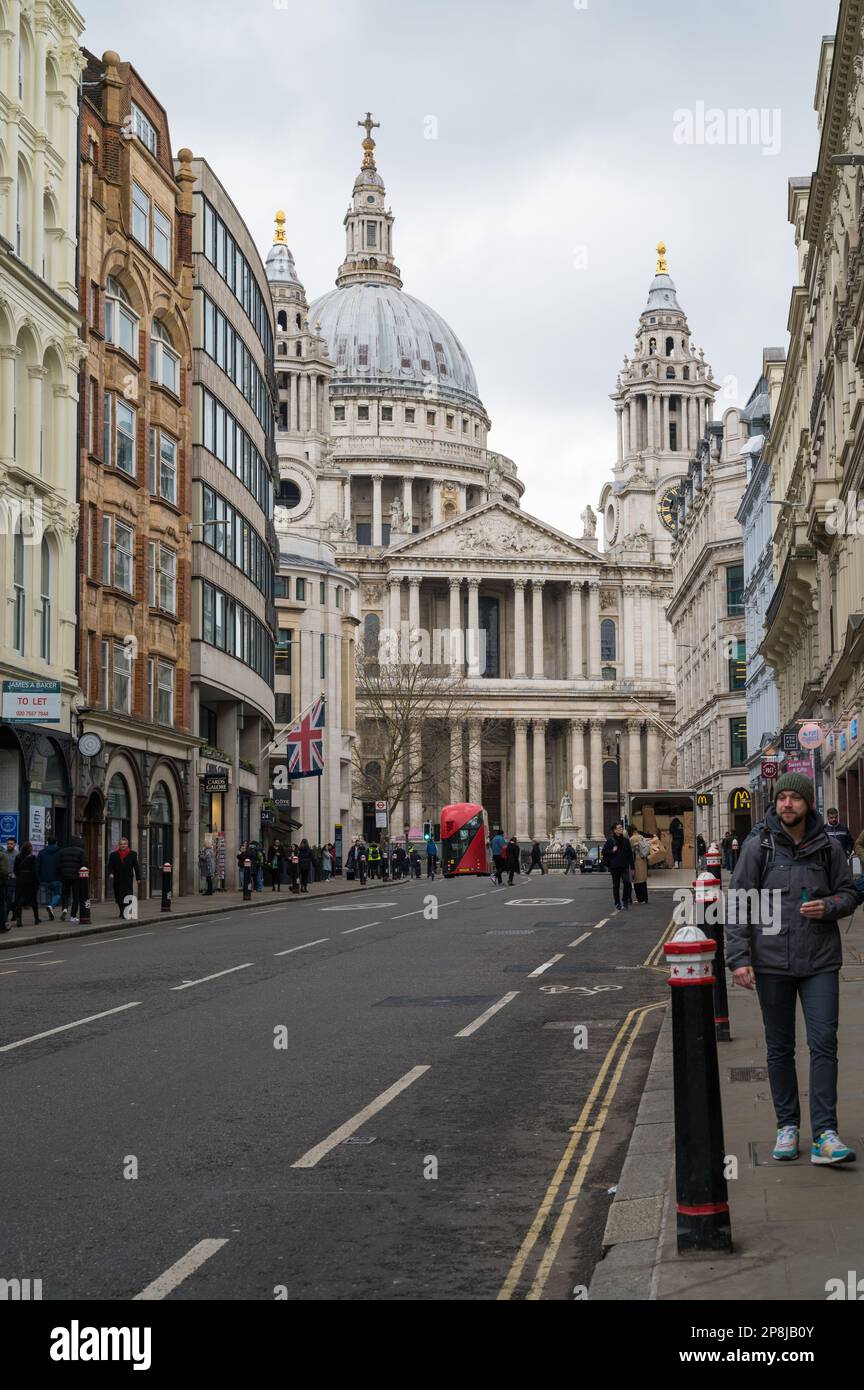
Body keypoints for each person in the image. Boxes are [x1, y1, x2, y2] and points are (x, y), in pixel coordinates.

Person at [727, 773, 858, 1165]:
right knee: (780, 1049)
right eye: (782, 798)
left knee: (824, 1044)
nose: (787, 804)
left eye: (794, 799)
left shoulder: (828, 848)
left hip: (819, 960)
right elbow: (739, 903)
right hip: (771, 964)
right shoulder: (758, 848)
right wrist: (739, 958)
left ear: (808, 805)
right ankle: (787, 1125)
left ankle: (825, 1134)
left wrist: (830, 906)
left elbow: (851, 893)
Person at [601, 822, 634, 911]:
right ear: (615, 830)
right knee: (616, 885)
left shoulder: (626, 841)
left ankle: (625, 900)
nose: (621, 829)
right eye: (619, 828)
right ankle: (617, 903)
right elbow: (603, 852)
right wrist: (612, 851)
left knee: (627, 883)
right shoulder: (610, 841)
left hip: (624, 866)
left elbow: (630, 855)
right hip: (614, 866)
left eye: (621, 828)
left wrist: (633, 867)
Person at [106, 837, 141, 920]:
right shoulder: (113, 855)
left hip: (127, 879)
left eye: (124, 844)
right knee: (118, 896)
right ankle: (121, 911)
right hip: (117, 879)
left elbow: (136, 866)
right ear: (119, 845)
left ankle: (125, 911)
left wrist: (138, 878)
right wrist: (111, 873)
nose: (123, 846)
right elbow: (110, 866)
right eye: (121, 844)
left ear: (127, 845)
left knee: (128, 896)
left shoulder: (133, 854)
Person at [58, 834, 86, 922]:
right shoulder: (81, 851)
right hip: (76, 877)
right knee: (76, 896)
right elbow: (84, 865)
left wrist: (61, 873)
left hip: (65, 876)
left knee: (65, 893)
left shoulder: (62, 851)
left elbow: (59, 864)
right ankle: (73, 916)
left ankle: (65, 908)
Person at [12, 841, 41, 927]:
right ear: (30, 849)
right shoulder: (32, 857)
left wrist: (20, 876)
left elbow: (15, 870)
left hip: (20, 880)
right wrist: (37, 881)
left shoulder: (18, 857)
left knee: (19, 901)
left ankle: (19, 920)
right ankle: (36, 919)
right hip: (30, 880)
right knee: (33, 900)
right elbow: (35, 871)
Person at [36, 834, 62, 922]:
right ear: (56, 842)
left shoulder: (41, 852)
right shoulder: (60, 852)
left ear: (47, 842)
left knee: (47, 896)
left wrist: (39, 877)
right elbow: (61, 865)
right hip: (56, 878)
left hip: (44, 878)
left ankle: (50, 912)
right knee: (57, 894)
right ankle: (51, 907)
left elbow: (37, 866)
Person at [629, 826, 650, 904]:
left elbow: (629, 850)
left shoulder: (632, 838)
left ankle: (640, 899)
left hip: (636, 860)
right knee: (643, 881)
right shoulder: (641, 837)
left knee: (637, 881)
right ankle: (645, 899)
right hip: (643, 859)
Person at [0, 838, 11, 932]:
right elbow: (4, 872)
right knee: (1, 904)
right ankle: (2, 926)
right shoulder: (3, 855)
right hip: (1, 884)